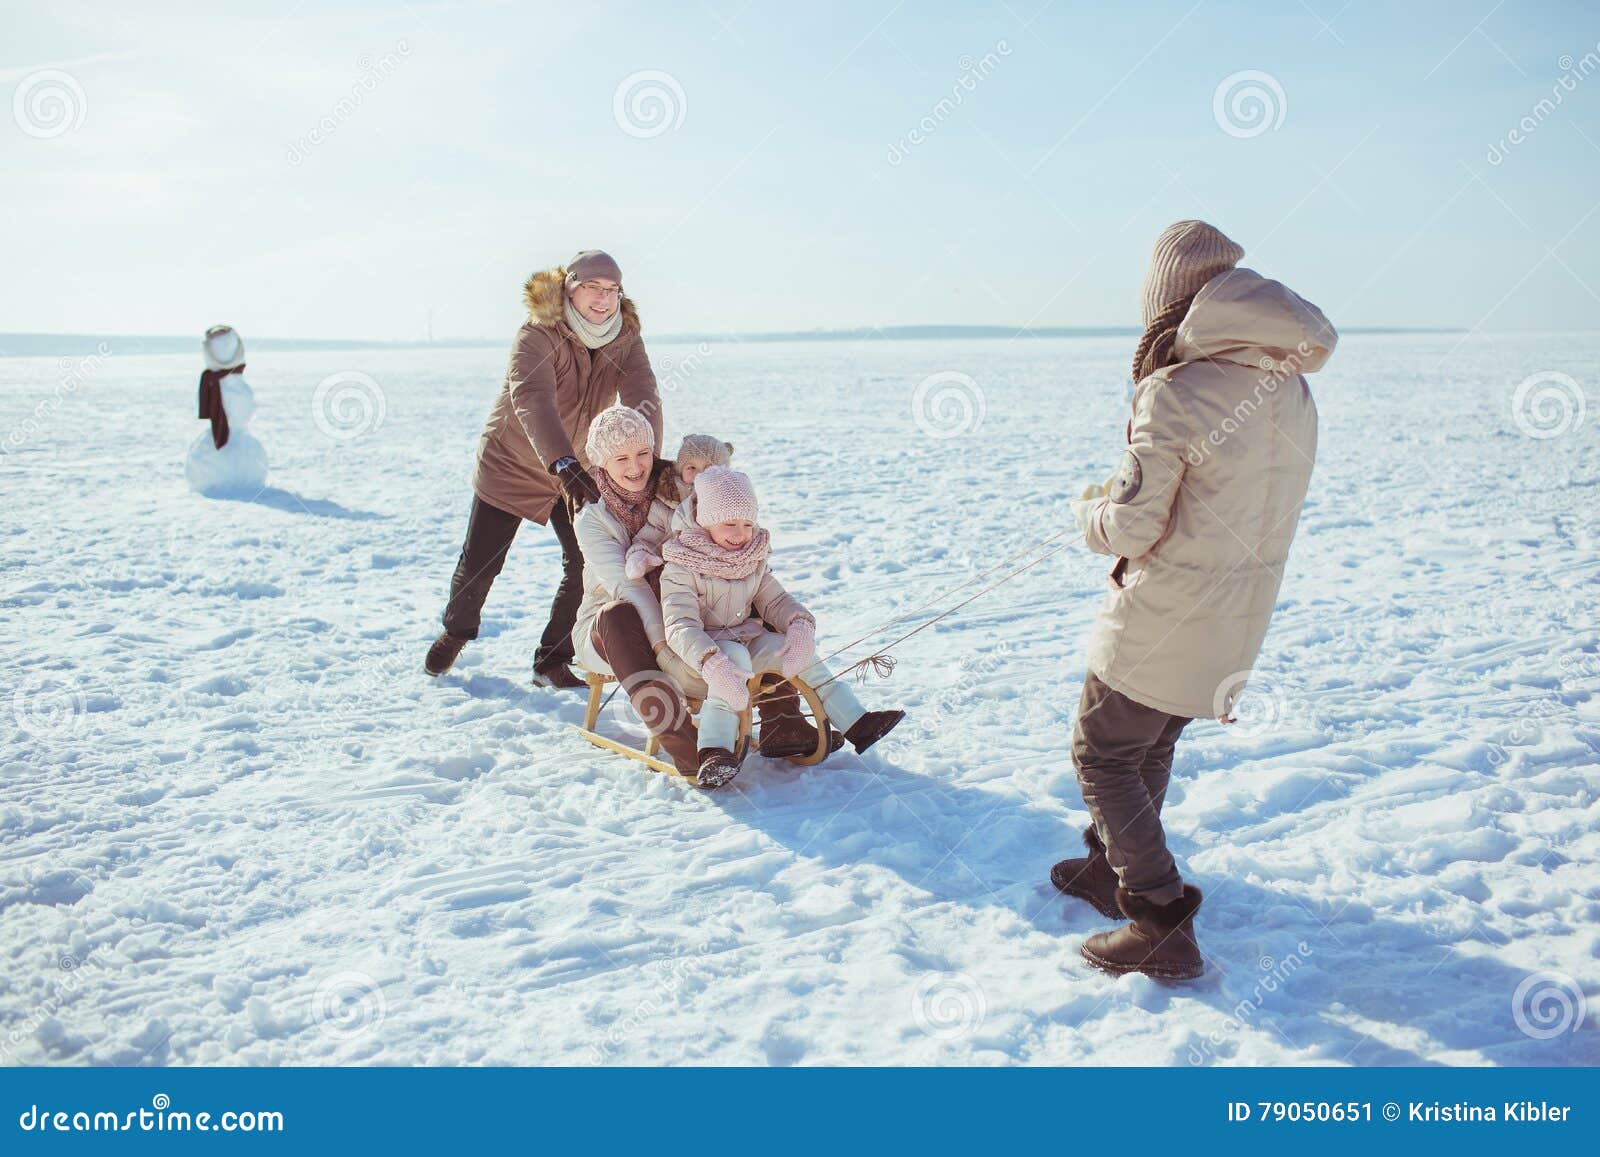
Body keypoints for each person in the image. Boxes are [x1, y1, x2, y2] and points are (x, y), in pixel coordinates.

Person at [1052, 220, 1337, 980]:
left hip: (1164, 610)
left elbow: (1134, 528)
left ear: (1171, 307)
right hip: (1233, 621)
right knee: (1148, 742)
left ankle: (1155, 914)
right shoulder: (1292, 391)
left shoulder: (1177, 392)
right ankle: (1112, 868)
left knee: (1103, 750)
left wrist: (1089, 508)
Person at [425, 250, 661, 688]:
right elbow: (532, 397)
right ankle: (456, 631)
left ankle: (552, 660)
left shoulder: (624, 336)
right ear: (571, 287)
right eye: (593, 287)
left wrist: (645, 460)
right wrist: (562, 461)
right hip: (514, 461)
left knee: (587, 560)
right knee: (482, 561)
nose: (603, 298)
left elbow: (642, 392)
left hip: (580, 469)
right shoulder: (538, 332)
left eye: (612, 290)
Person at [659, 466, 905, 787]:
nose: (740, 534)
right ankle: (714, 751)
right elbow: (679, 625)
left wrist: (799, 624)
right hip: (699, 656)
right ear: (706, 521)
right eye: (729, 524)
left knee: (792, 650)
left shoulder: (751, 559)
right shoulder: (682, 564)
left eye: (747, 524)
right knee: (732, 661)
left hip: (747, 642)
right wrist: (709, 659)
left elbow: (776, 600)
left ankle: (856, 722)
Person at [185, 325, 267, 495]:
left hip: (238, 448)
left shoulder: (226, 382)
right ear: (208, 349)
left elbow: (241, 414)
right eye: (217, 344)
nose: (224, 348)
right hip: (221, 447)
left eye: (228, 343)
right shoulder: (213, 382)